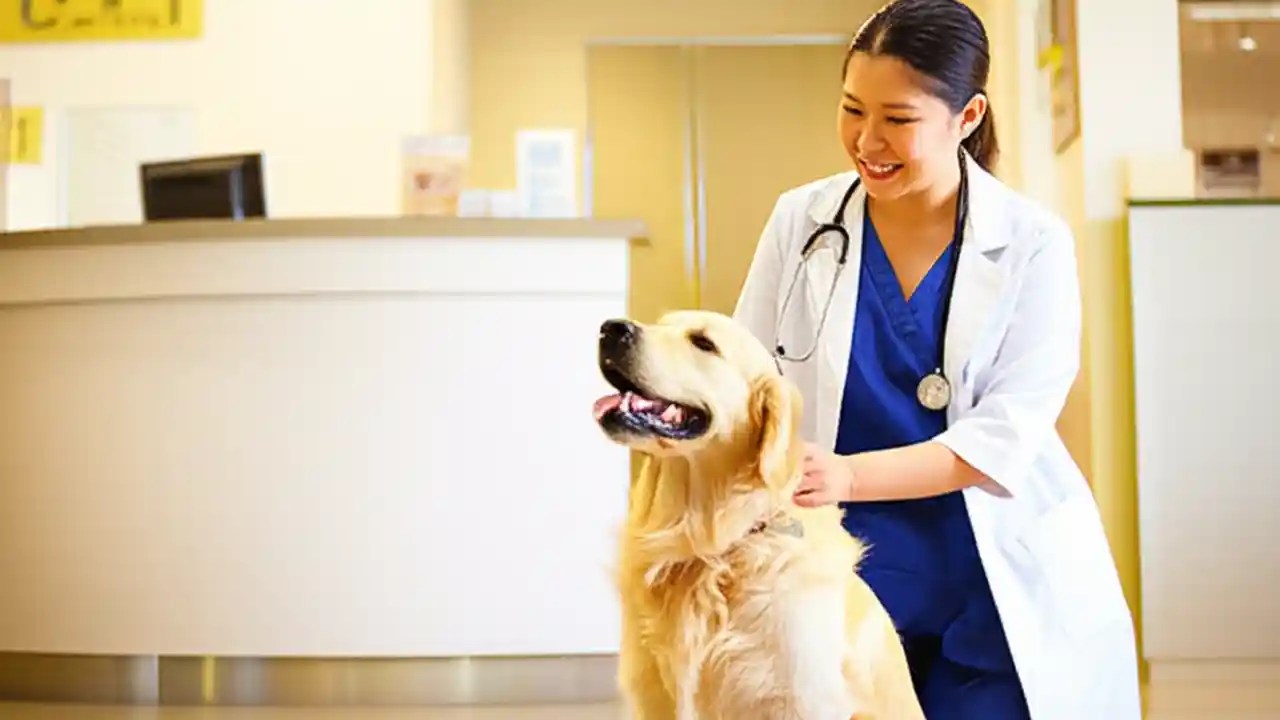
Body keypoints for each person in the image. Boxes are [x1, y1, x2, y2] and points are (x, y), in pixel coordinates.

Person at [731, 1, 1142, 718]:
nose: (867, 139)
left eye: (898, 118)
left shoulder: (1032, 242)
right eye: (853, 109)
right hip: (839, 566)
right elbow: (746, 377)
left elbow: (1005, 436)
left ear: (969, 115)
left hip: (982, 578)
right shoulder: (801, 221)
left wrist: (849, 474)